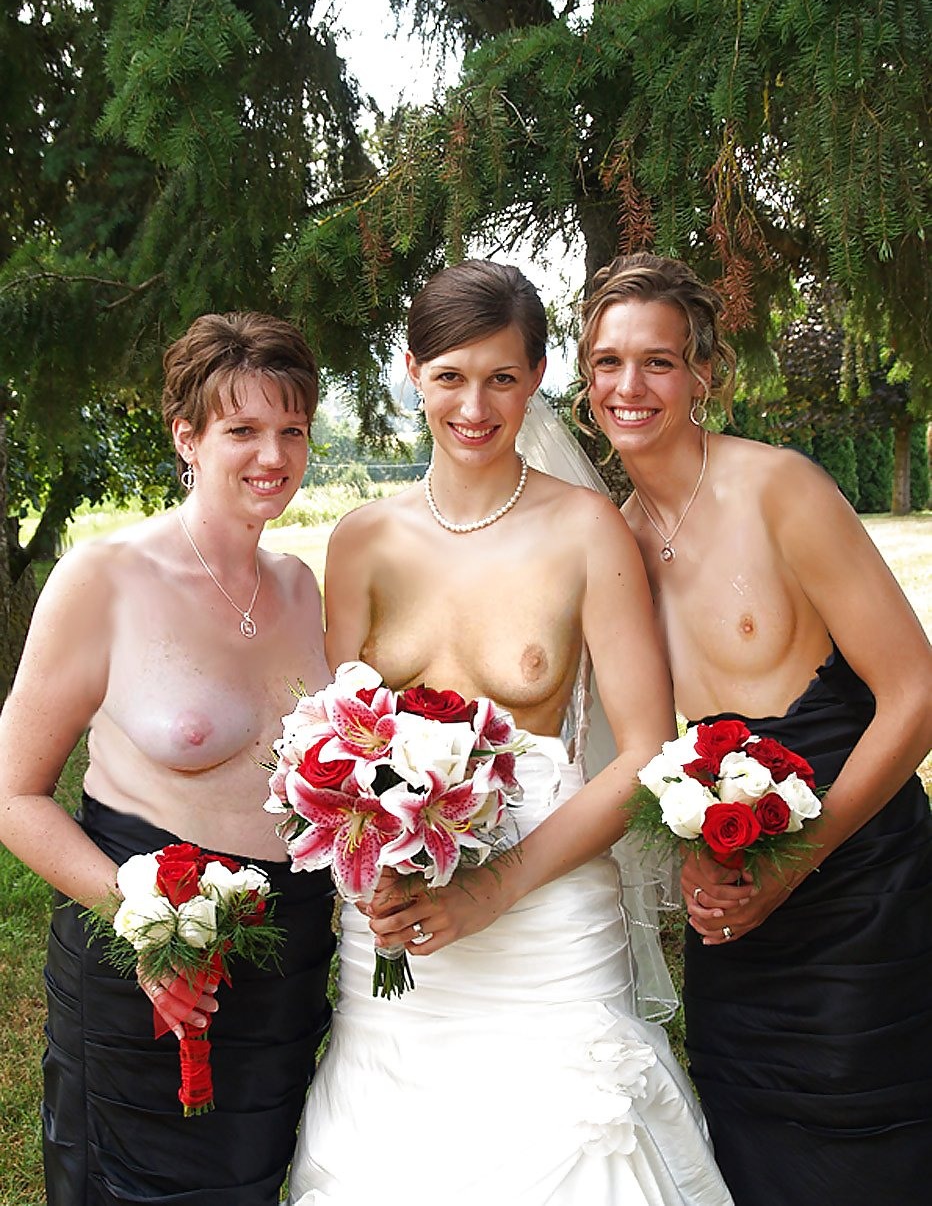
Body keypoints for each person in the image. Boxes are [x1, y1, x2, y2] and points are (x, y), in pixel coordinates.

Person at [287, 259, 734, 1206]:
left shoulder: (587, 532)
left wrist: (493, 888)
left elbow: (646, 754)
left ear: (536, 378)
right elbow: (330, 739)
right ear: (413, 372)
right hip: (401, 927)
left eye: (501, 377)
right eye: (450, 376)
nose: (475, 406)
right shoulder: (361, 540)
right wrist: (377, 865)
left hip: (547, 918)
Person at [575, 251, 932, 1205]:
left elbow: (916, 693)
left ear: (703, 372)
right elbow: (654, 745)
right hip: (737, 898)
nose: (629, 386)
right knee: (750, 1142)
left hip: (860, 887)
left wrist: (796, 860)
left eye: (658, 361)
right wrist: (704, 860)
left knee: (867, 1146)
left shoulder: (781, 489)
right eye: (608, 362)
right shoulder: (616, 540)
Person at [0, 313, 336, 1206]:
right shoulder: (104, 579)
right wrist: (144, 923)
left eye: (293, 429)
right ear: (186, 435)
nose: (274, 455)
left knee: (250, 1183)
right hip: (145, 966)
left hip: (285, 965)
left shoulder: (301, 589)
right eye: (242, 429)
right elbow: (13, 795)